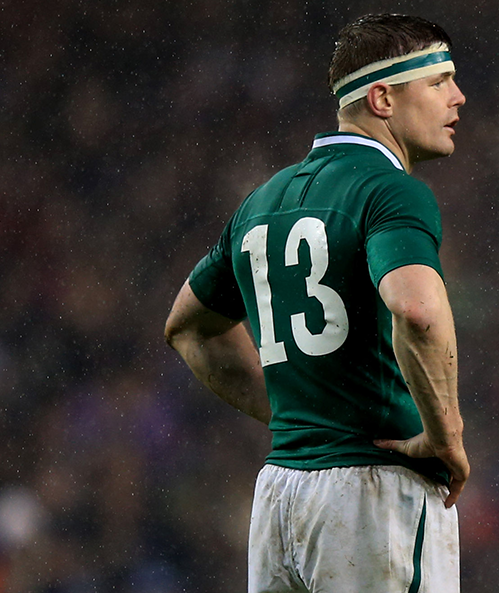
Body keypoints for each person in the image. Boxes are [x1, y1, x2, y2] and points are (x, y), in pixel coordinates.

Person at [163, 14, 469, 592]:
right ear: (383, 97)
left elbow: (189, 329)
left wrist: (293, 414)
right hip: (375, 496)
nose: (458, 96)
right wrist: (444, 432)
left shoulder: (263, 199)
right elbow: (417, 311)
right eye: (438, 81)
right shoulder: (391, 190)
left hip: (281, 493)